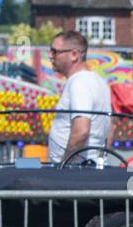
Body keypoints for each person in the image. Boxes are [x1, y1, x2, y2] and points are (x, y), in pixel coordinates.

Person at [46, 30, 111, 164]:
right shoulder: (99, 81)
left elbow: (81, 130)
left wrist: (64, 164)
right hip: (86, 166)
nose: (50, 56)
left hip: (75, 170)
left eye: (54, 51)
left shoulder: (80, 82)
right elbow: (111, 128)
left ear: (74, 55)